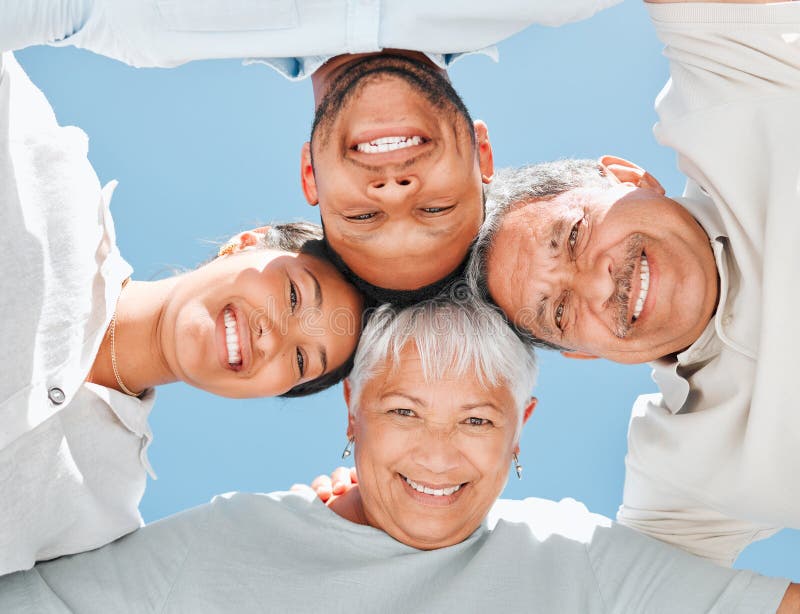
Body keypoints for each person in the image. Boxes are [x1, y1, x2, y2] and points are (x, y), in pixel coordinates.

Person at [1, 298, 797, 613]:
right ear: (354, 414)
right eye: (405, 411)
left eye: (477, 422)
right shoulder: (232, 540)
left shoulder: (574, 557)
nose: (438, 456)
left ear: (521, 428)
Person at [0, 51, 363, 576]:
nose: (272, 338)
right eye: (292, 297)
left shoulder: (101, 519)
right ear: (244, 244)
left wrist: (313, 539)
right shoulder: (45, 179)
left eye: (303, 360)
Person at [467, 0, 800, 567]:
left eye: (572, 236)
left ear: (629, 178)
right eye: (562, 312)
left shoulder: (731, 90)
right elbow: (624, 595)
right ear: (584, 355)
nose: (599, 284)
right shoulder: (680, 476)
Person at [1, 0, 620, 301]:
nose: (395, 193)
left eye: (363, 217)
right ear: (482, 156)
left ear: (311, 178)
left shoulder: (142, 23)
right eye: (435, 210)